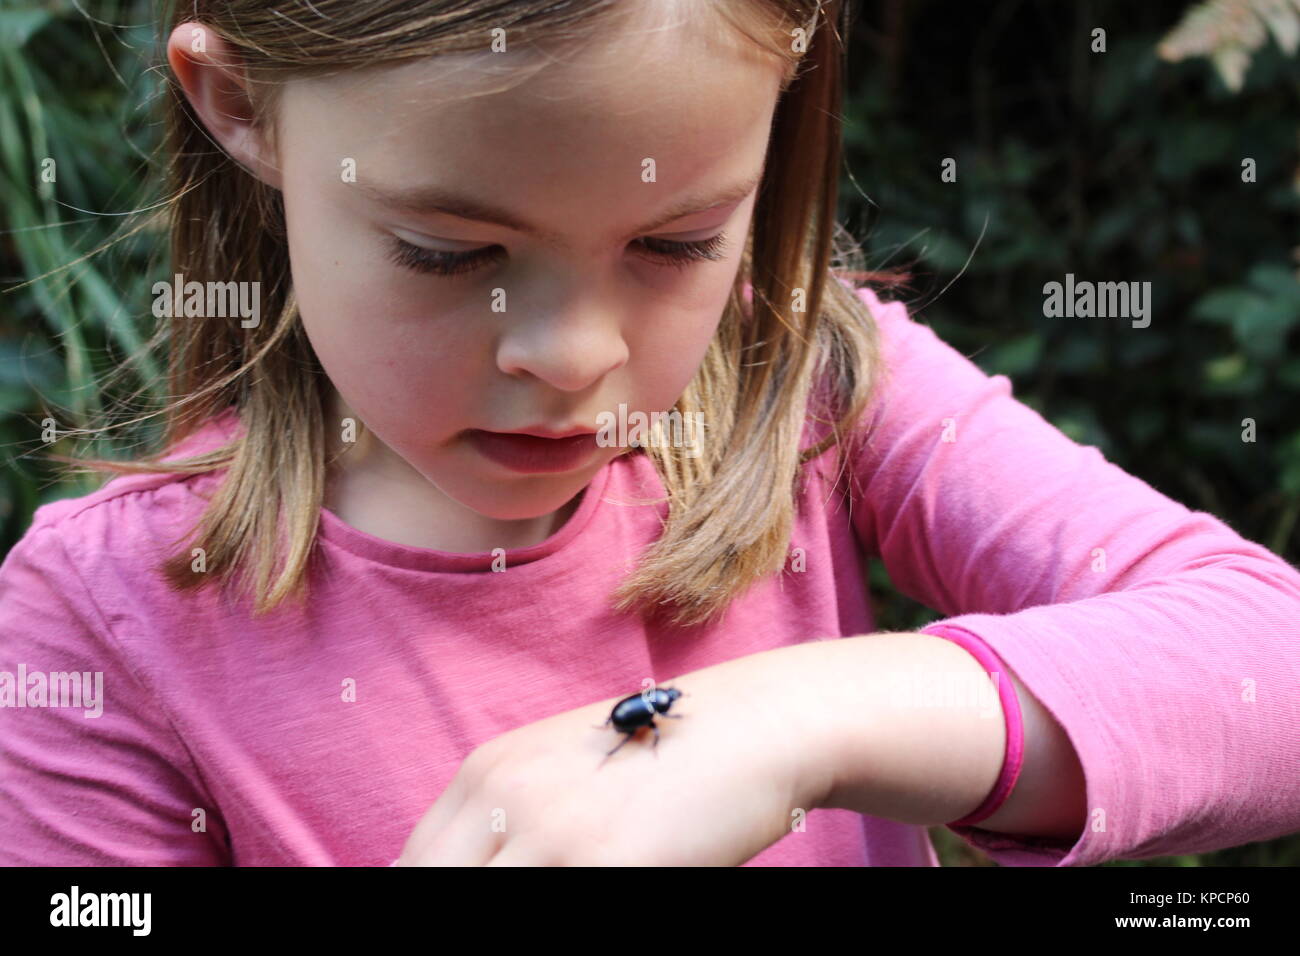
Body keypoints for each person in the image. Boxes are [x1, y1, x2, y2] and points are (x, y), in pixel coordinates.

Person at [2, 0, 1298, 867]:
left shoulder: (811, 377)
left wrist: (795, 725)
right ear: (236, 104)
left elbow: (1268, 659)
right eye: (449, 252)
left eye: (676, 243)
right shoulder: (95, 619)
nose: (573, 355)